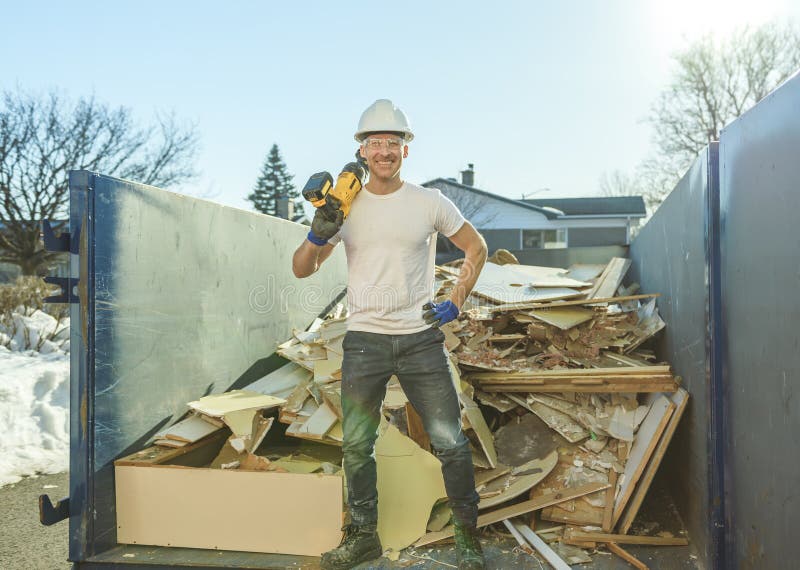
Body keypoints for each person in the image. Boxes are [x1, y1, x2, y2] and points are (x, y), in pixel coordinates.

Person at [292, 99, 488, 570]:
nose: (384, 151)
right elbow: (301, 268)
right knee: (357, 444)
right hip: (365, 340)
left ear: (406, 150)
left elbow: (476, 247)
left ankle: (467, 535)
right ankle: (363, 537)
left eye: (393, 143)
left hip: (421, 339)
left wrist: (457, 300)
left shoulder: (428, 202)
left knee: (449, 442)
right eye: (375, 143)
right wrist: (319, 235)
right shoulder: (345, 206)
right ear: (362, 151)